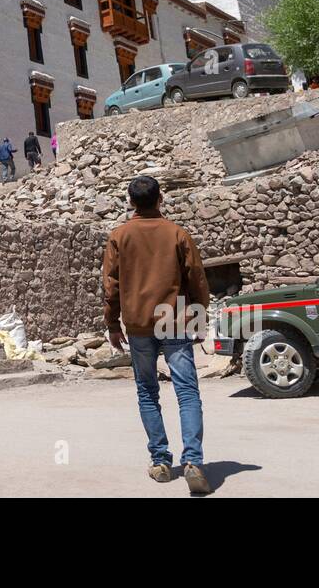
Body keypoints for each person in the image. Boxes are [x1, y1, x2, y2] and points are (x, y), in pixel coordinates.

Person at [103, 174, 212, 494]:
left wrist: (112, 324)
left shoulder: (119, 236)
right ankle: (192, 461)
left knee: (148, 391)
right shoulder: (178, 233)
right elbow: (197, 280)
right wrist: (200, 319)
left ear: (131, 202)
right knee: (187, 391)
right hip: (174, 320)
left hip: (138, 323)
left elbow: (111, 285)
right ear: (160, 199)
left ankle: (161, 461)